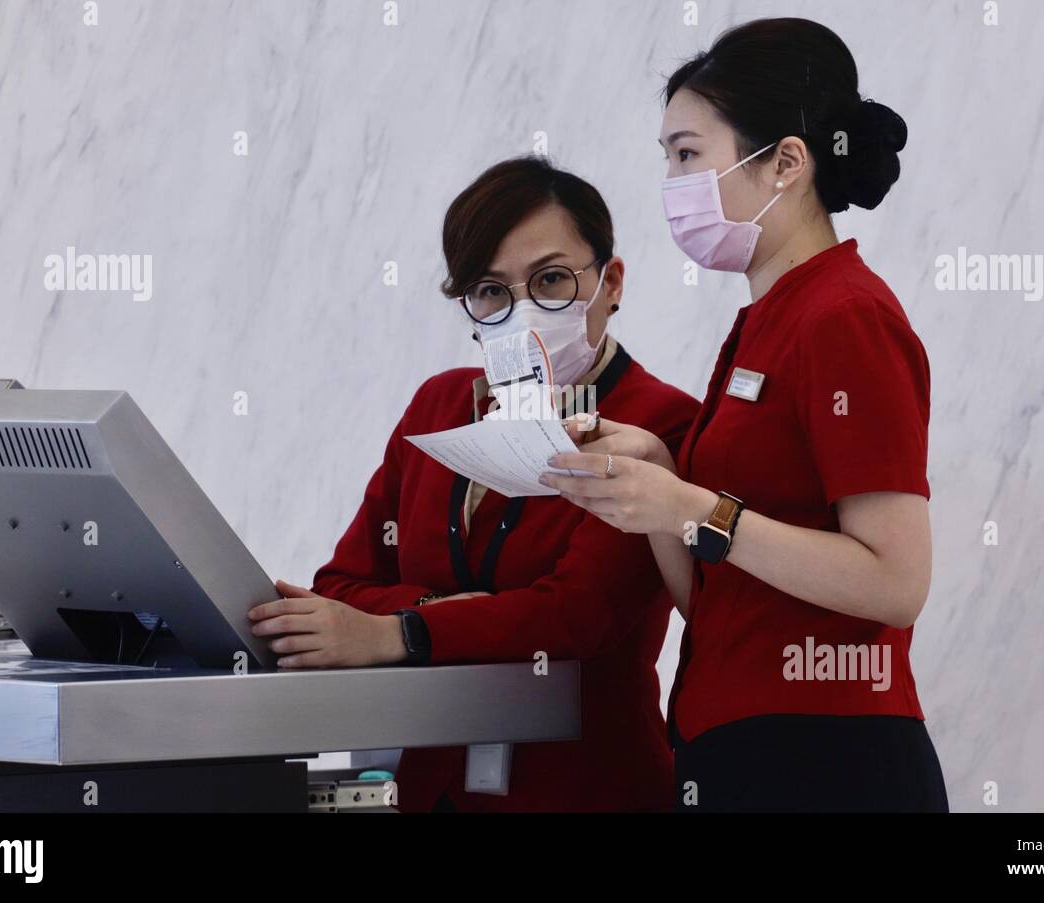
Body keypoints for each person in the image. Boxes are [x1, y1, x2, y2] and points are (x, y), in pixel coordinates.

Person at [542, 18, 948, 812]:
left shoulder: (845, 316)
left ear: (786, 163)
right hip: (734, 745)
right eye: (667, 157)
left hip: (828, 757)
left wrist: (697, 506)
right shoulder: (764, 320)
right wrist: (660, 482)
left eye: (689, 154)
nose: (672, 180)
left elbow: (897, 581)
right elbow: (722, 599)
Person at [249, 156, 700, 812]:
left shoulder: (658, 423)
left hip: (584, 789)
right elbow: (341, 583)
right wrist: (452, 606)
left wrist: (395, 632)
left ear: (611, 282)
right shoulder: (438, 405)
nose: (521, 311)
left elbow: (576, 615)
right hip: (433, 790)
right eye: (491, 290)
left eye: (550, 280)